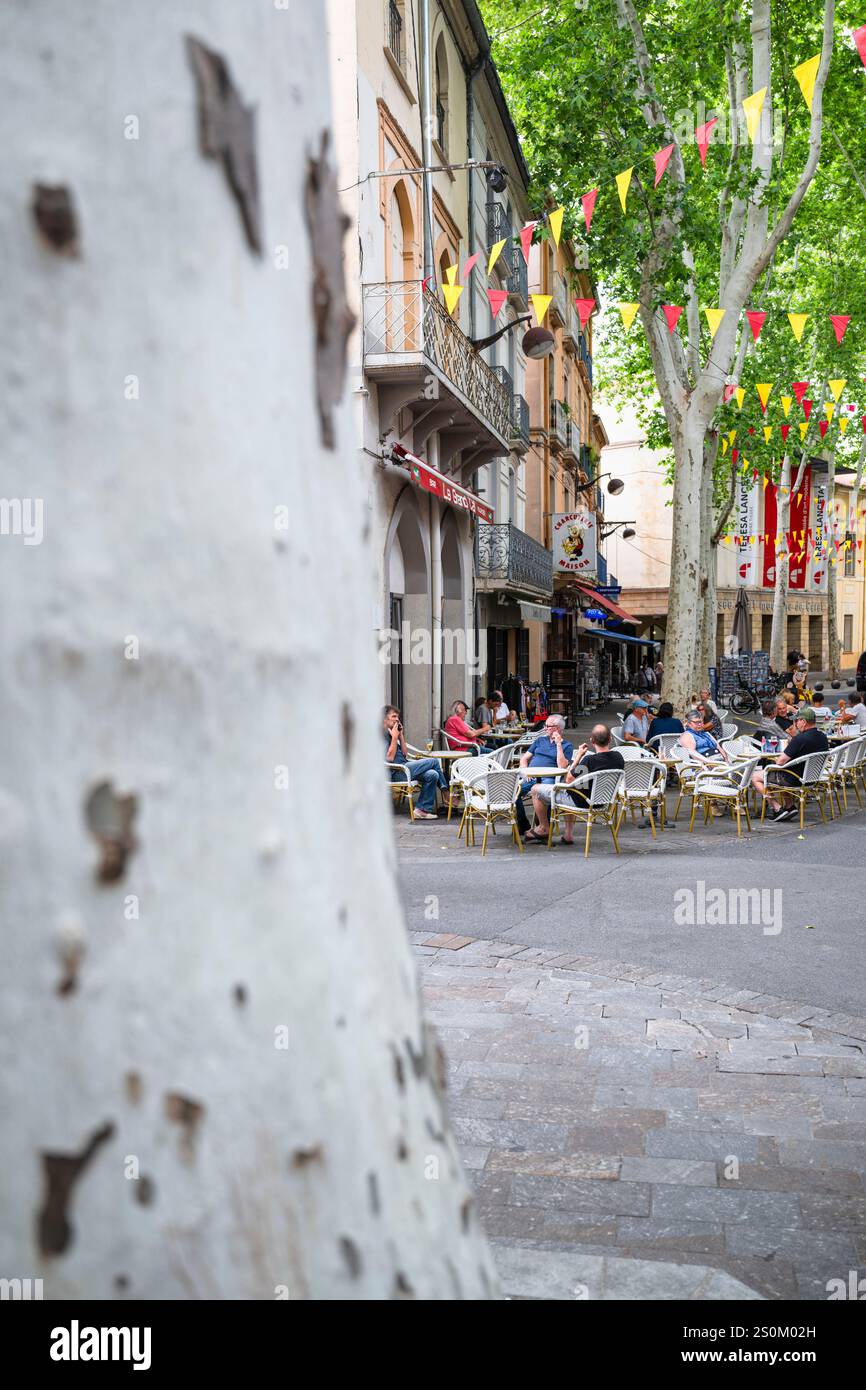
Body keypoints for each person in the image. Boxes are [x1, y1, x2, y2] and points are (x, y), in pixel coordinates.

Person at [538, 724, 624, 844]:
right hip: (604, 802)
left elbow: (568, 779)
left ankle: (543, 828)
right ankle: (567, 835)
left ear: (592, 741)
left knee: (535, 789)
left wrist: (578, 756)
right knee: (571, 790)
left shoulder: (589, 760)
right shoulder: (618, 757)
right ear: (610, 739)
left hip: (582, 802)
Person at [750, 706, 828, 822]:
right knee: (781, 772)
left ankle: (777, 808)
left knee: (755, 776)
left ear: (804, 722)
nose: (795, 723)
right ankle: (789, 806)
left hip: (794, 779)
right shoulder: (823, 737)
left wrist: (777, 759)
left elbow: (780, 762)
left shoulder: (799, 739)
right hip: (812, 778)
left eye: (797, 721)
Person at [383, 706, 447, 820]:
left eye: (398, 717)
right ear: (384, 719)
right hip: (396, 772)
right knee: (433, 761)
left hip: (405, 767)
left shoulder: (392, 733)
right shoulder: (381, 736)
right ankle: (445, 792)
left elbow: (404, 754)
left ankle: (421, 810)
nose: (397, 719)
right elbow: (389, 759)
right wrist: (394, 738)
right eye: (394, 716)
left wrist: (400, 735)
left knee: (433, 774)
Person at [516, 714, 574, 840]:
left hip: (549, 778)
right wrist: (525, 771)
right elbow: (524, 759)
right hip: (531, 776)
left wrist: (558, 744)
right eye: (545, 725)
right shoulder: (539, 741)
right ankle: (524, 825)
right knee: (513, 791)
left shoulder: (566, 746)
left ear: (557, 728)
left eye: (548, 726)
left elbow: (562, 766)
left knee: (544, 793)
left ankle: (544, 828)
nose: (545, 728)